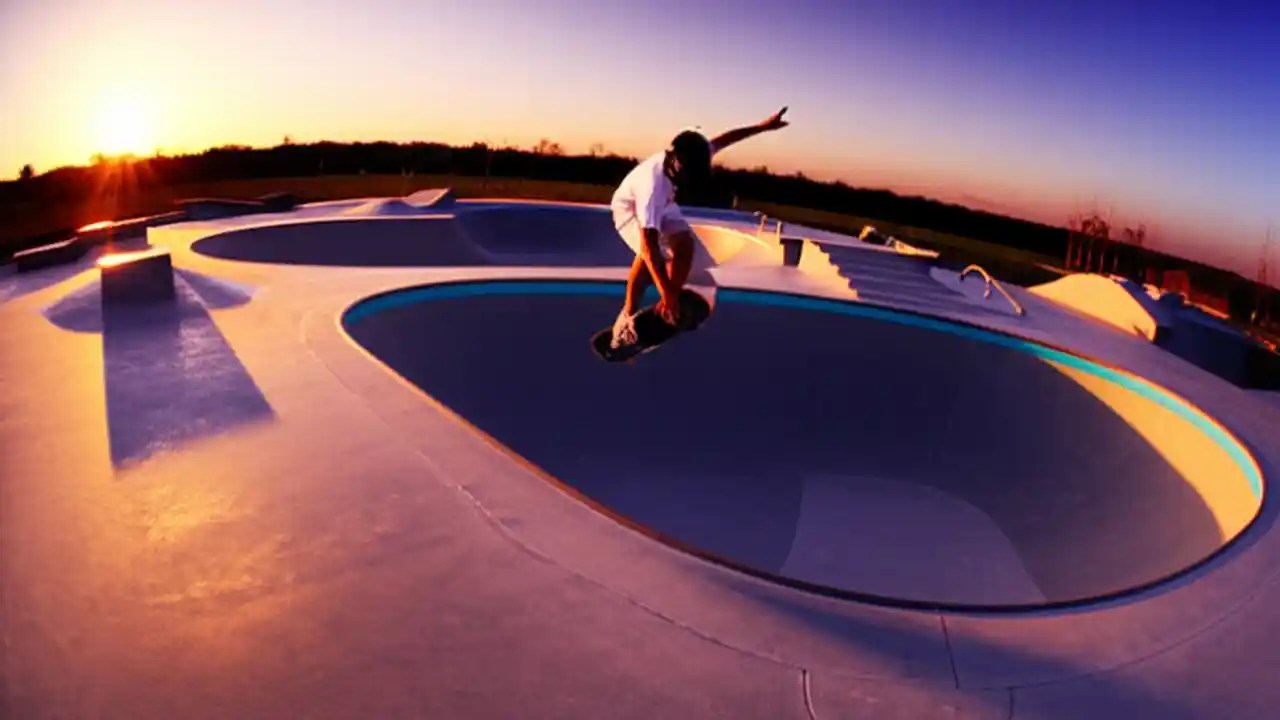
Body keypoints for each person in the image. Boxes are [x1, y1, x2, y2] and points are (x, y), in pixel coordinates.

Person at [609, 107, 791, 348]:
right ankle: (626, 319)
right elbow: (650, 247)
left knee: (685, 245)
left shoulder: (694, 153)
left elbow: (727, 138)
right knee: (653, 257)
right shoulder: (651, 188)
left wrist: (763, 126)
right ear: (675, 164)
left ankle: (665, 310)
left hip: (666, 203)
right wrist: (667, 291)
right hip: (628, 211)